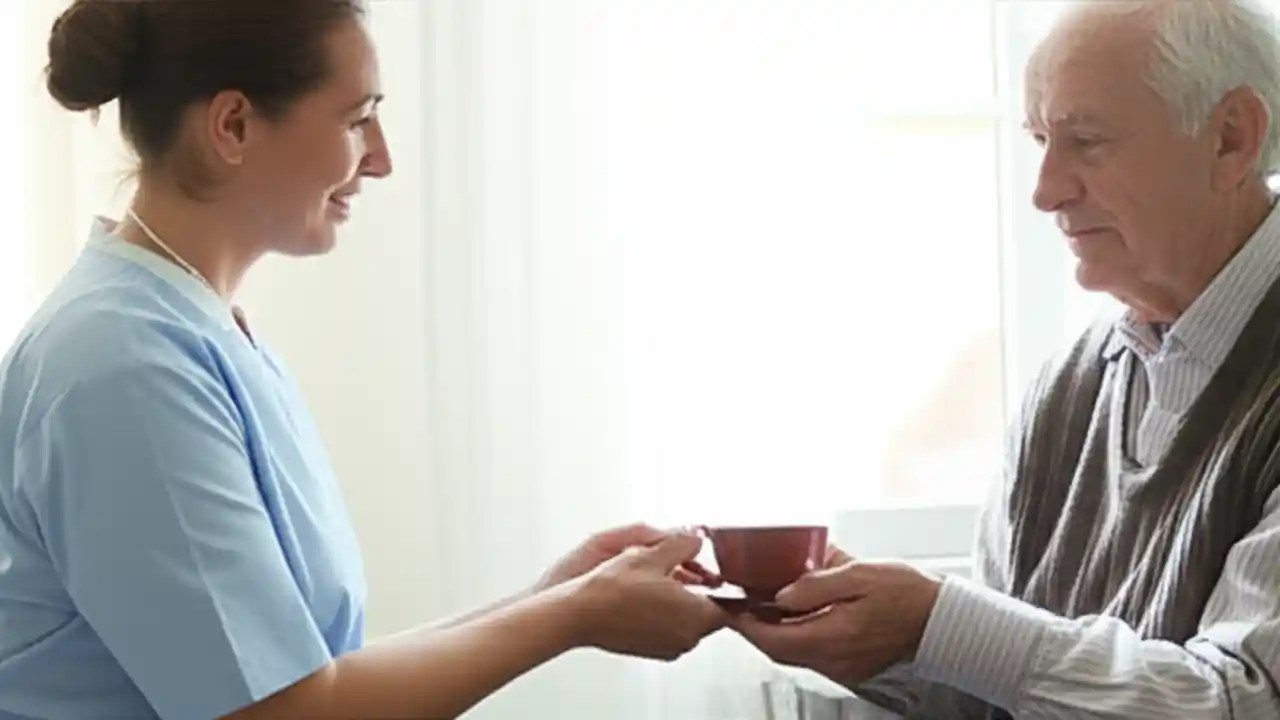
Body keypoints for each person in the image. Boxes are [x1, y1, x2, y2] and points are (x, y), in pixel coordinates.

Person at [0, 2, 726, 719]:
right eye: (357, 119)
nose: (380, 158)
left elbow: (307, 678)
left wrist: (555, 596)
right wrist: (575, 616)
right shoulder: (125, 368)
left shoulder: (195, 333)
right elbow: (283, 713)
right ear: (233, 126)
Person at [732, 1, 1280, 718]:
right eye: (1040, 140)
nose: (1045, 191)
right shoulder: (1070, 387)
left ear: (1230, 140)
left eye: (1086, 142)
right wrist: (876, 636)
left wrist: (936, 623)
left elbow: (1242, 702)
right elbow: (1002, 691)